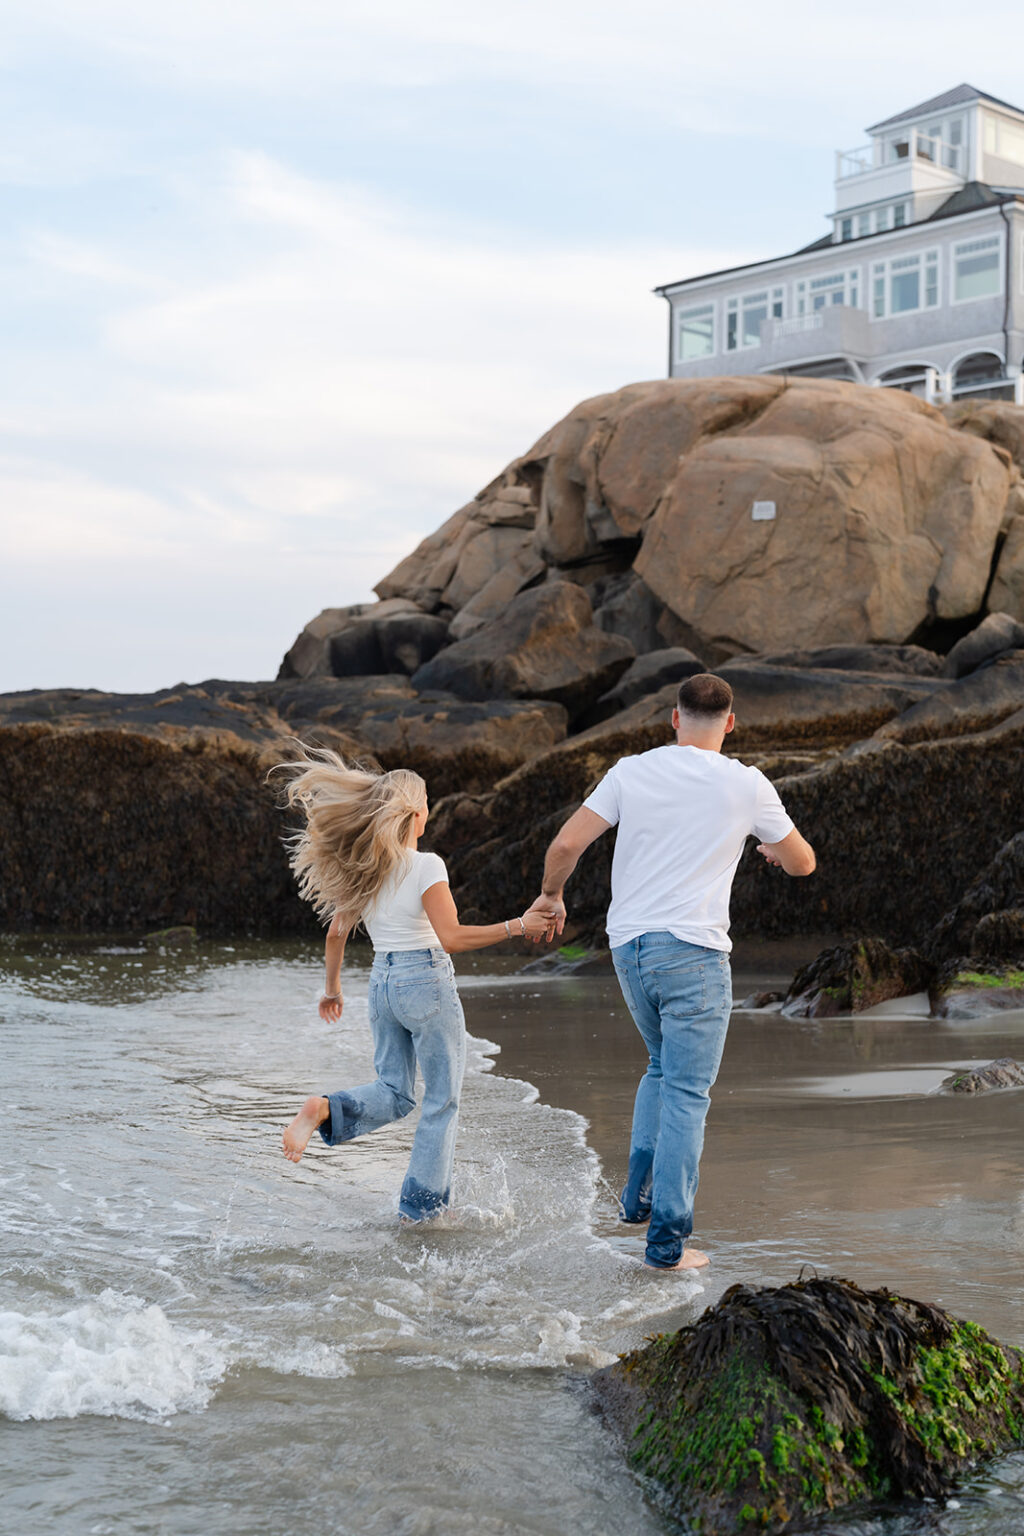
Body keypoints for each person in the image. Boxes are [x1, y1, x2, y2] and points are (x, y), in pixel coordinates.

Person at [528, 673, 816, 1271]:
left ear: (675, 719)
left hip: (630, 949)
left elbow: (563, 846)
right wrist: (767, 848)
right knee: (688, 1092)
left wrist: (551, 897)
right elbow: (803, 862)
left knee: (661, 1068)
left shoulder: (631, 770)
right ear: (731, 724)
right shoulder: (747, 784)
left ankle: (638, 1199)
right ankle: (666, 1247)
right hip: (695, 955)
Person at [276, 749, 554, 1222]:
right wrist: (517, 926)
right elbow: (452, 937)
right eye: (427, 802)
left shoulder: (366, 867)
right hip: (424, 981)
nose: (430, 810)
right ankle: (420, 1210)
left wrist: (332, 989)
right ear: (416, 812)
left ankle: (326, 1108)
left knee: (396, 1092)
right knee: (441, 1101)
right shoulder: (426, 865)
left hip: (382, 984)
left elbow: (336, 932)